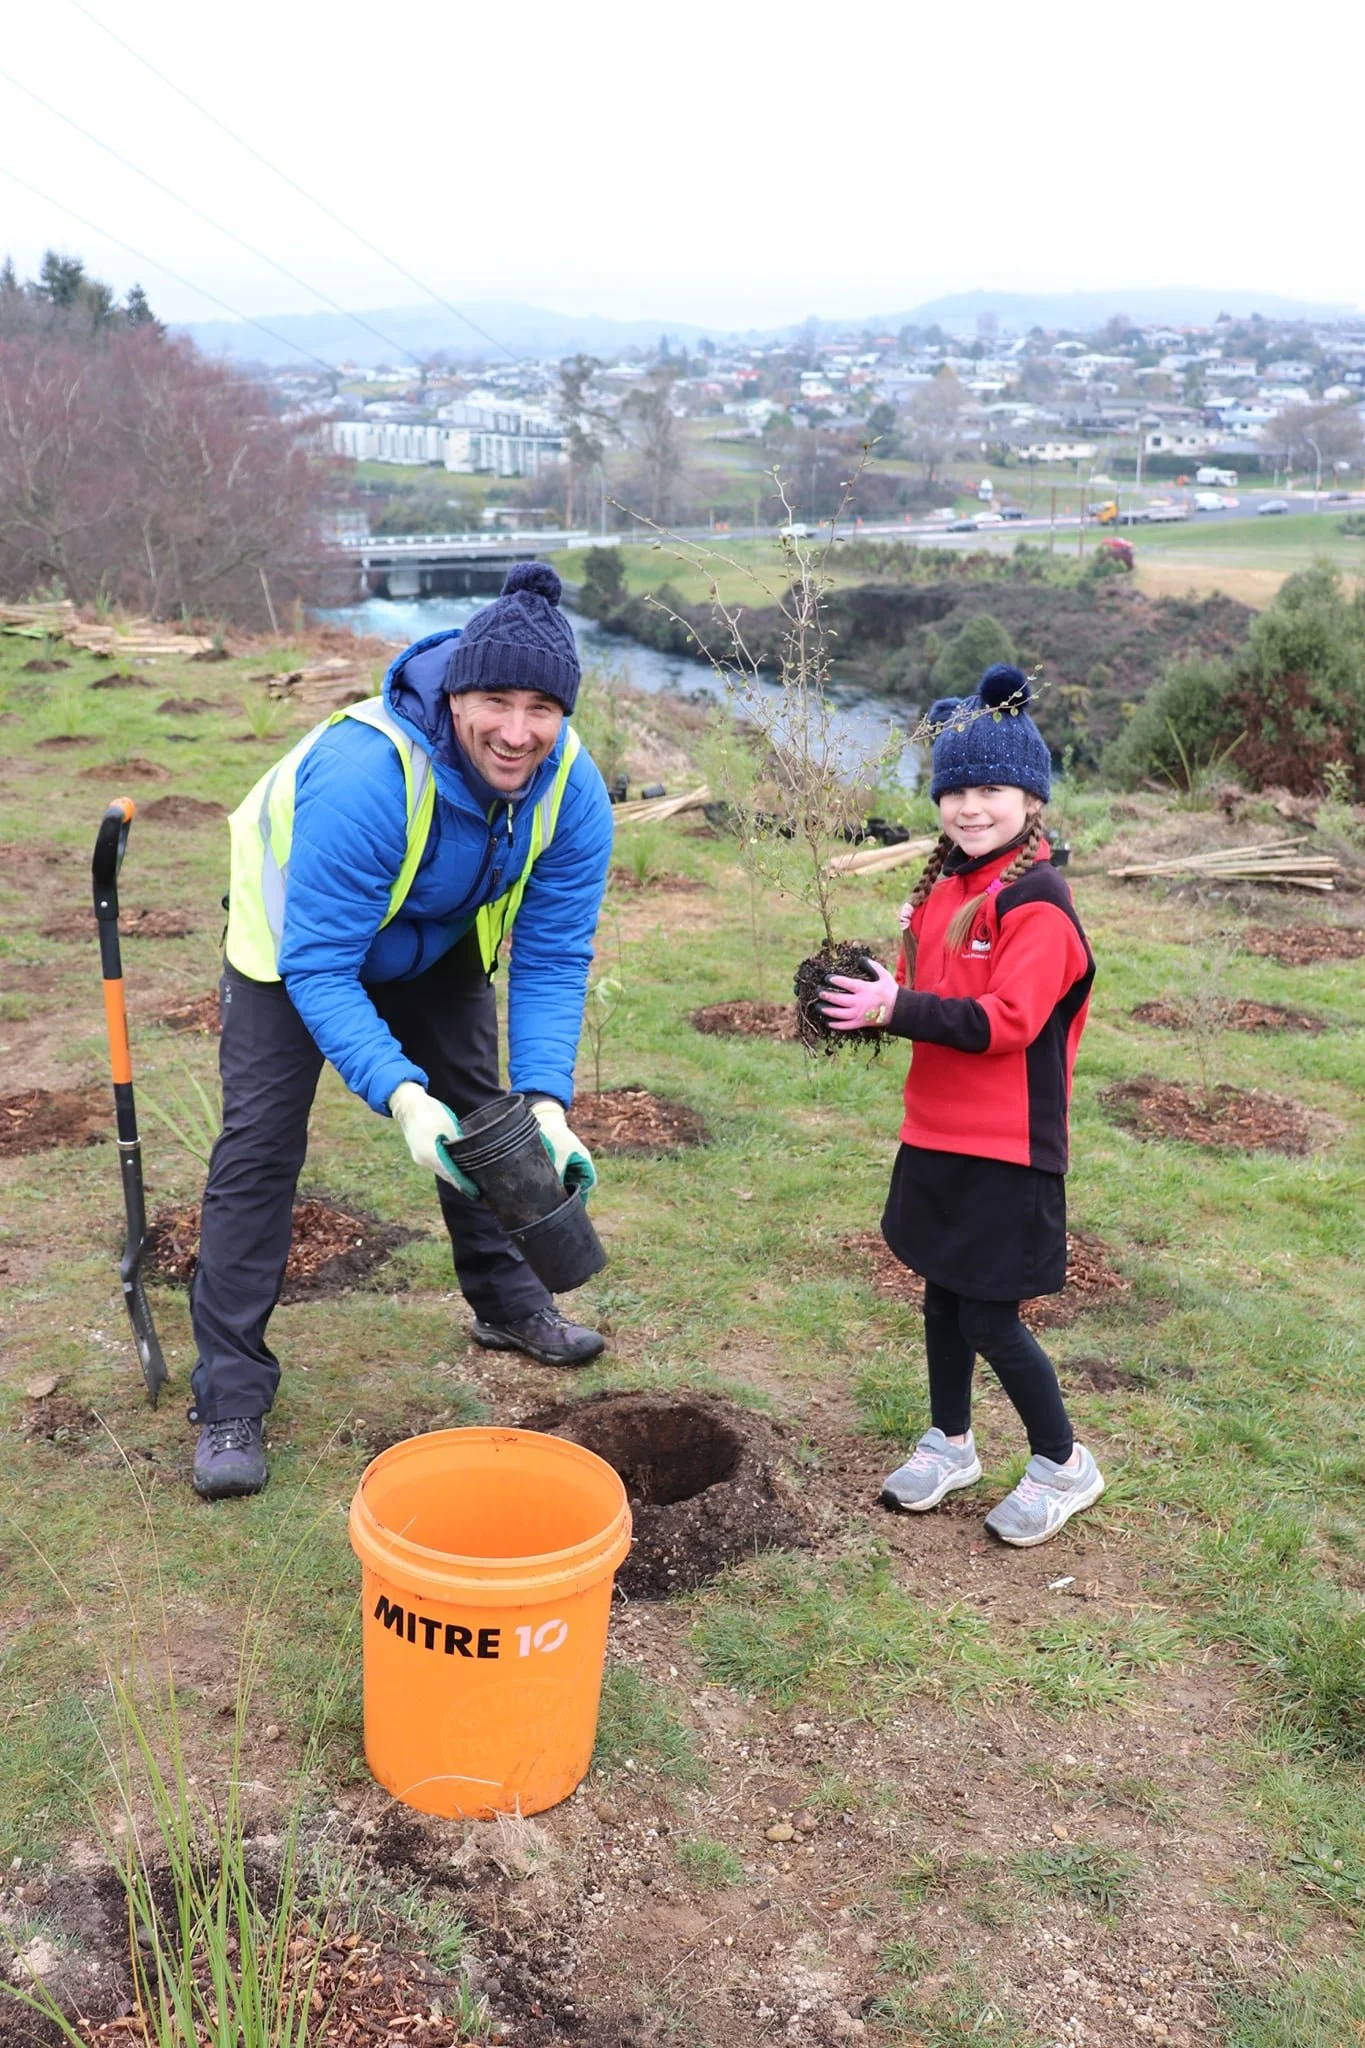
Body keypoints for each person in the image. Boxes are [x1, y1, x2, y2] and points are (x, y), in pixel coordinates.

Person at [189, 562, 614, 1500]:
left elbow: (552, 954)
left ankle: (507, 1304)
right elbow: (319, 966)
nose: (517, 731)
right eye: (495, 702)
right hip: (293, 947)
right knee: (260, 1147)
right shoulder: (367, 773)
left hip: (434, 936)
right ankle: (229, 1395)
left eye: (542, 708)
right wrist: (401, 1094)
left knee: (489, 1115)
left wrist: (547, 1102)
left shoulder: (571, 787)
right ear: (456, 694)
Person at [820, 664, 1104, 1548]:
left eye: (991, 790)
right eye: (955, 790)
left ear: (1030, 800)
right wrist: (881, 990)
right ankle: (950, 1442)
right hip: (937, 1131)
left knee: (987, 1314)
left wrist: (897, 1008)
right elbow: (930, 994)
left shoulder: (1036, 904)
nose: (970, 807)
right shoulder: (946, 887)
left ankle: (1062, 1463)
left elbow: (1008, 1021)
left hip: (1008, 1147)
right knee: (941, 1297)